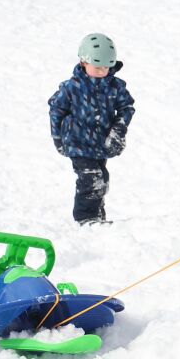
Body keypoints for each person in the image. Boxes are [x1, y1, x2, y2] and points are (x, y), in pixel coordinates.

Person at [47, 32, 135, 225]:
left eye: (106, 67)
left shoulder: (115, 87)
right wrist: (57, 138)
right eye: (97, 67)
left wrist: (118, 130)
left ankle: (97, 216)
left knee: (102, 179)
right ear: (83, 62)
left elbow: (126, 108)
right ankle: (86, 220)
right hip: (77, 142)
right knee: (90, 178)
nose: (102, 71)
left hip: (100, 144)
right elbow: (56, 110)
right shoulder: (72, 87)